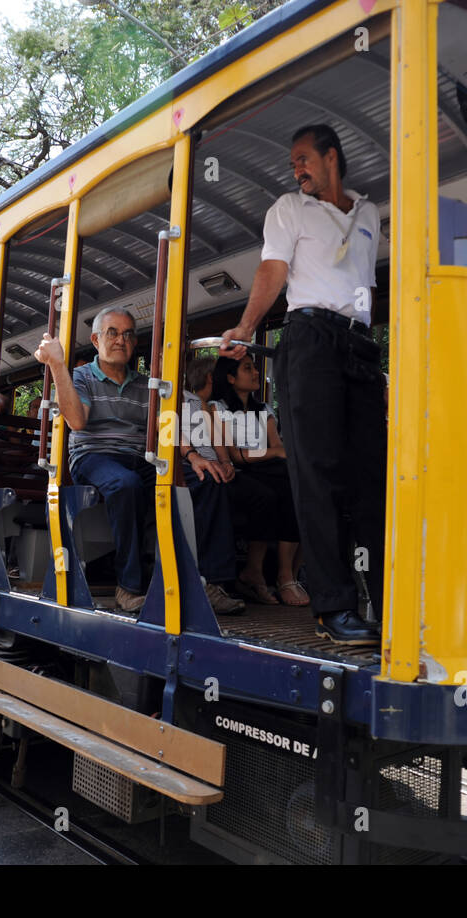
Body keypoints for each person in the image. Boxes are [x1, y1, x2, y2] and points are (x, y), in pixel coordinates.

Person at [220, 123, 385, 646]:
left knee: (372, 476)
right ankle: (333, 606)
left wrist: (375, 361)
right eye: (293, 163)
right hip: (309, 339)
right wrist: (246, 328)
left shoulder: (370, 213)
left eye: (304, 159)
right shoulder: (288, 209)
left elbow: (366, 289)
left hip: (358, 345)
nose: (297, 170)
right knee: (315, 475)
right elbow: (274, 269)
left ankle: (387, 599)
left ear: (332, 157)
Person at [35, 307, 244, 615]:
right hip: (94, 457)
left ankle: (208, 581)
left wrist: (193, 456)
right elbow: (77, 421)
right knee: (125, 484)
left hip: (139, 458)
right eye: (113, 333)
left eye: (128, 334)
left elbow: (163, 426)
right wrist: (56, 364)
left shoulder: (144, 384)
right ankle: (129, 586)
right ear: (95, 339)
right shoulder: (79, 376)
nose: (121, 340)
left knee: (204, 480)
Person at [209, 354, 307, 607]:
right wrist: (272, 453)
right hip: (240, 471)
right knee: (275, 493)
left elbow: (277, 445)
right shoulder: (217, 408)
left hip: (267, 469)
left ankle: (289, 575)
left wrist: (272, 453)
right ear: (230, 377)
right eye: (248, 368)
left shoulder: (264, 410)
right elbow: (233, 454)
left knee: (301, 489)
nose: (255, 373)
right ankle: (271, 575)